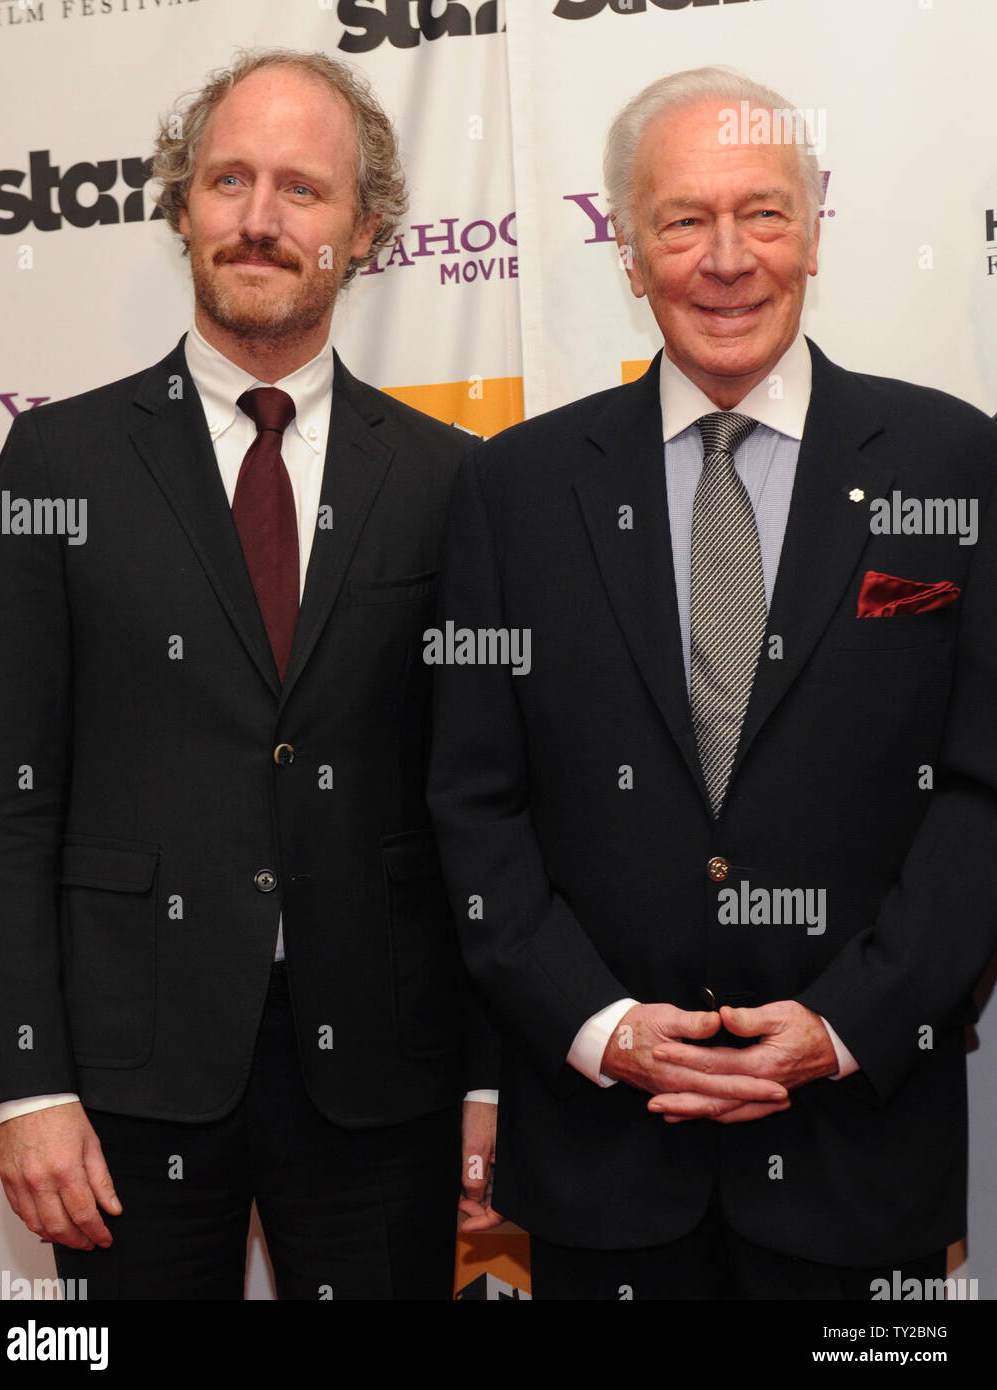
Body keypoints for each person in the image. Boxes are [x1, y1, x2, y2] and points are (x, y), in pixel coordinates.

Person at [427, 66, 997, 1300]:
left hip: (860, 1152)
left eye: (763, 212)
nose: (725, 258)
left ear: (814, 227)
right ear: (626, 250)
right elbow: (473, 802)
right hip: (599, 1160)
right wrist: (596, 1027)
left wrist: (847, 1022)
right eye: (682, 220)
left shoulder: (957, 460)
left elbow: (981, 788)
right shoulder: (512, 491)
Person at [0, 48, 497, 1301]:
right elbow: (10, 798)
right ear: (181, 203)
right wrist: (28, 1083)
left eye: (301, 191)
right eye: (229, 181)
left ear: (363, 230)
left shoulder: (448, 478)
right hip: (126, 1071)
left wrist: (486, 1071)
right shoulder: (55, 461)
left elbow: (481, 803)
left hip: (382, 1069)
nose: (258, 220)